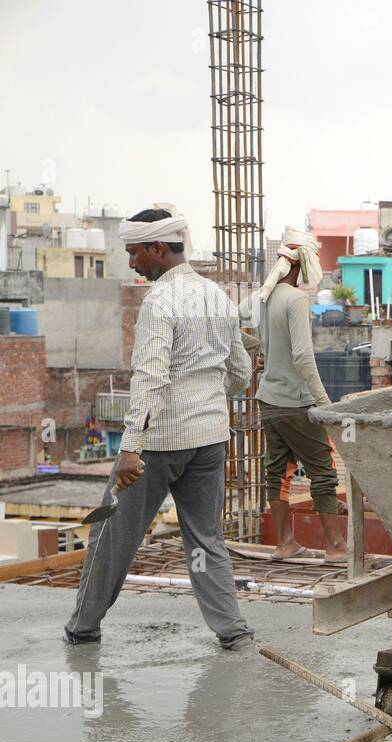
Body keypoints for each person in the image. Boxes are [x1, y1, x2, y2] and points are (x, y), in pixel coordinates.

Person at [63, 208, 256, 651]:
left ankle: (83, 627)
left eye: (134, 253)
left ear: (157, 248)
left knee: (113, 534)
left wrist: (131, 447)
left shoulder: (160, 302)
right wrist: (206, 401)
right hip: (209, 439)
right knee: (205, 539)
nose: (132, 263)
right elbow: (240, 371)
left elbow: (150, 378)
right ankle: (232, 630)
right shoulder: (216, 295)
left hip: (157, 443)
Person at [254, 226, 347, 561]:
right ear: (299, 263)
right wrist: (324, 404)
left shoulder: (263, 296)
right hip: (295, 402)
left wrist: (262, 351)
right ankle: (336, 547)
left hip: (268, 400)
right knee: (323, 472)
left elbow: (235, 324)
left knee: (277, 473)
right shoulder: (295, 300)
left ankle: (284, 544)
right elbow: (303, 357)